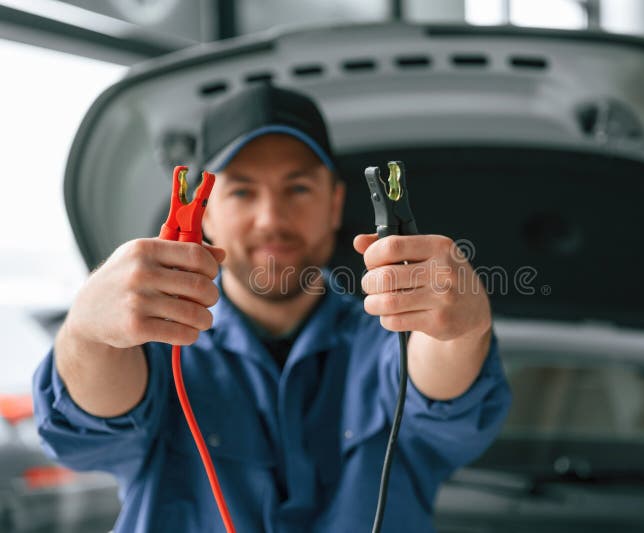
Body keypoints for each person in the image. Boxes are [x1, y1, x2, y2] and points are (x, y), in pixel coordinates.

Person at [32, 83, 511, 532]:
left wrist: (463, 330)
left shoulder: (385, 335)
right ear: (207, 212)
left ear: (335, 203)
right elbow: (89, 429)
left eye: (298, 188)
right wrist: (87, 334)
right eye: (242, 191)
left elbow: (445, 396)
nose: (272, 218)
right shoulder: (158, 344)